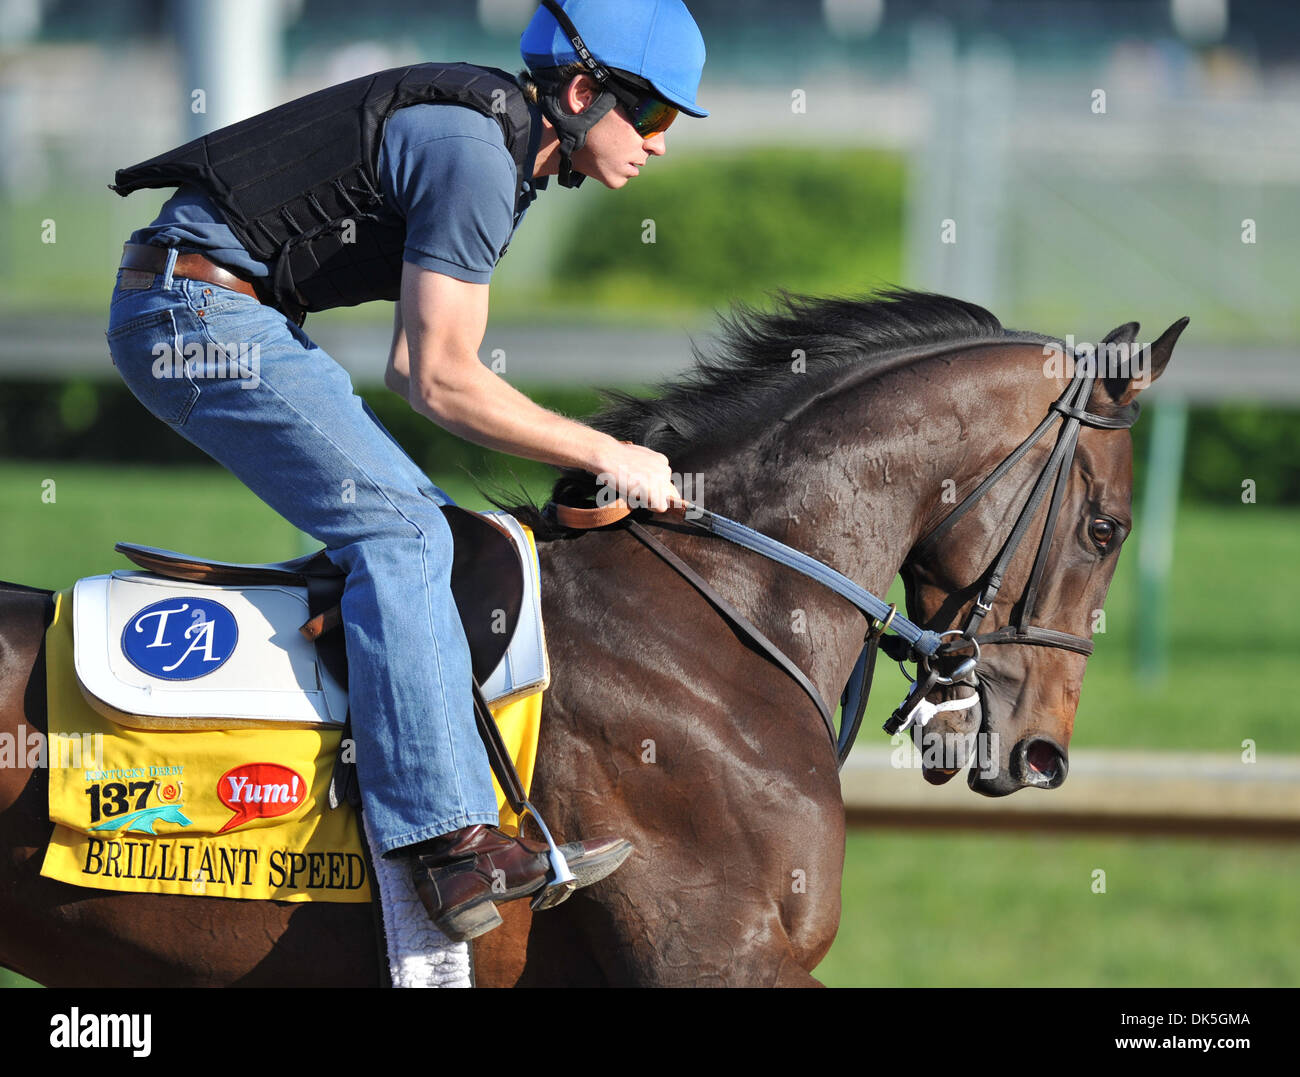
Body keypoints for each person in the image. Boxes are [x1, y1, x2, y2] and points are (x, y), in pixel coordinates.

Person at [103, 0, 708, 942]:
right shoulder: (475, 154)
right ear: (585, 93)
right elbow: (436, 378)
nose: (662, 147)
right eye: (658, 116)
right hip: (194, 316)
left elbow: (425, 371)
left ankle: (368, 790)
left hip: (229, 312)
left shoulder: (500, 147)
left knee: (428, 535)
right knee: (404, 530)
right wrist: (607, 450)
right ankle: (448, 844)